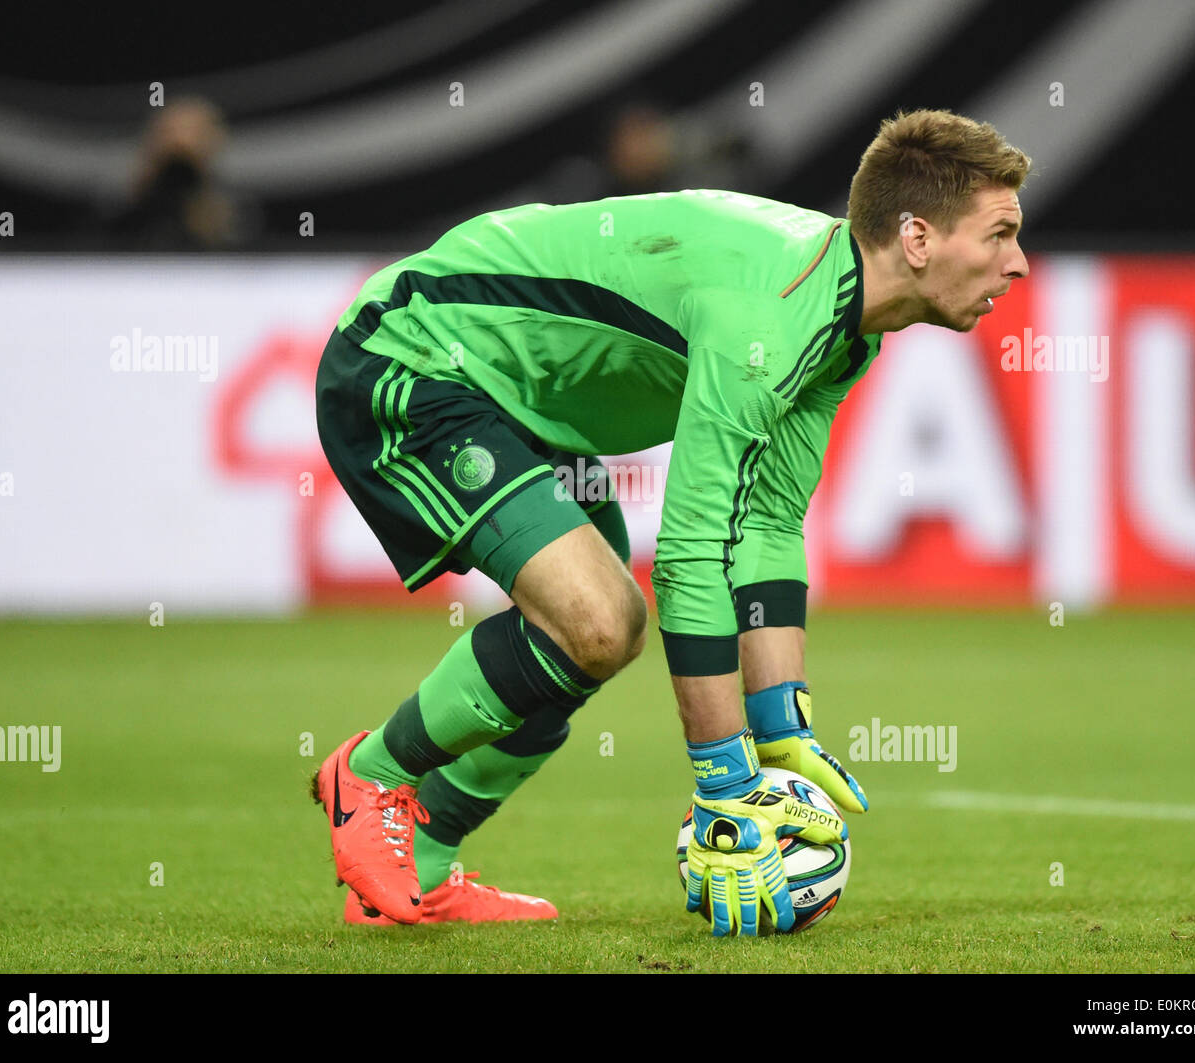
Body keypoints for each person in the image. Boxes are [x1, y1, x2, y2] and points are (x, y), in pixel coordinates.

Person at [311, 108, 1030, 935]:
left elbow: (766, 523)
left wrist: (780, 724)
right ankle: (367, 778)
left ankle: (423, 863)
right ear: (916, 238)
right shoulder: (766, 320)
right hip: (418, 354)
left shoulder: (845, 324)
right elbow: (691, 555)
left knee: (589, 638)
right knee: (599, 620)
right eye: (1000, 233)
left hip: (534, 409)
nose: (1017, 262)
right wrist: (724, 780)